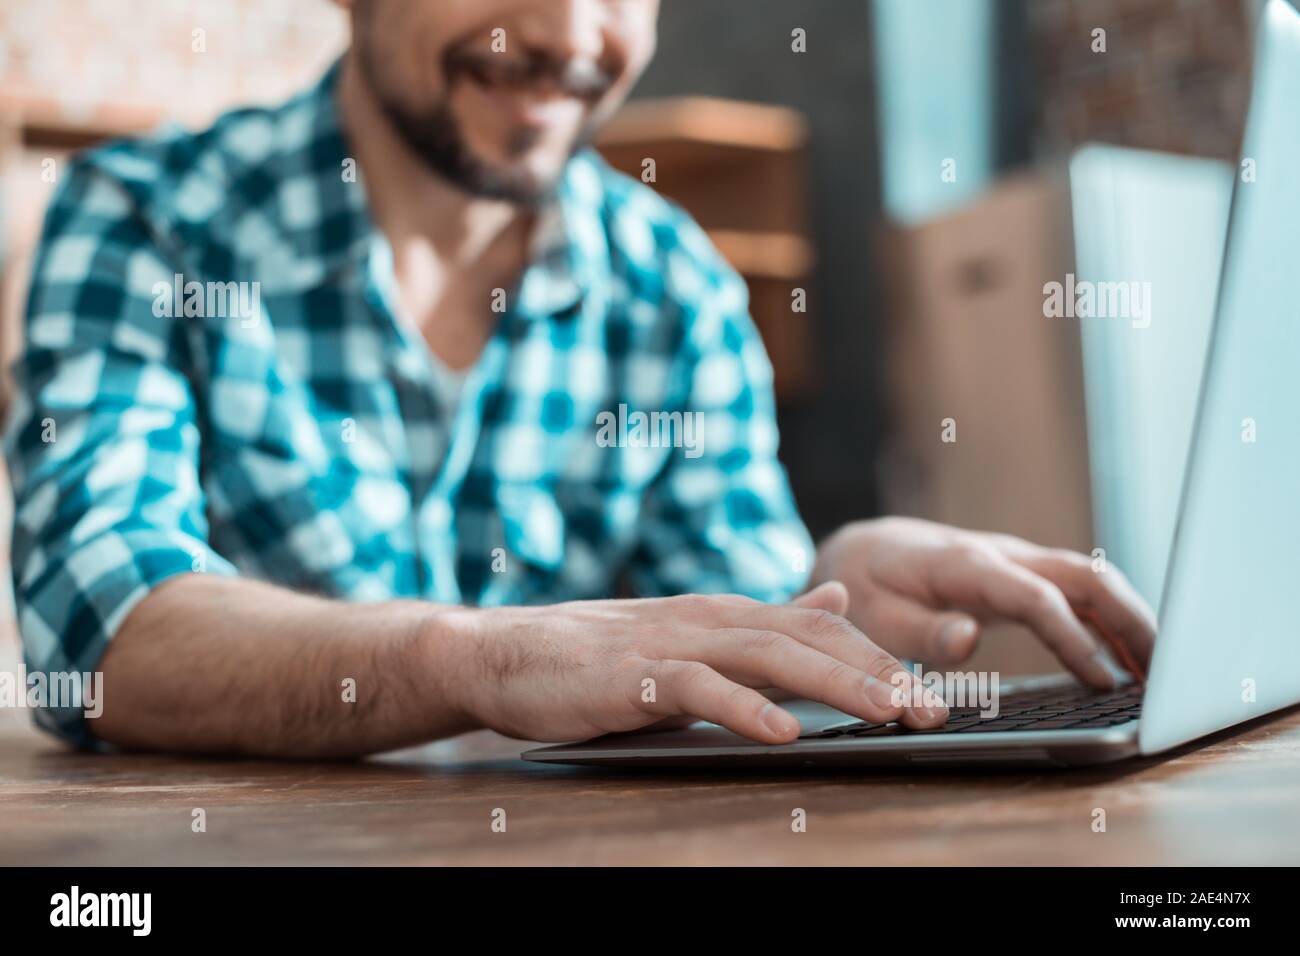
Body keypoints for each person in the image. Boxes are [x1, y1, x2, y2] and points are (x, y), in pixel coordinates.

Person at [3, 0, 1154, 758]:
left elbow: (711, 629)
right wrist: (477, 655)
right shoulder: (146, 222)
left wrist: (820, 591)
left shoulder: (672, 284)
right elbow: (102, 631)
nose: (569, 29)